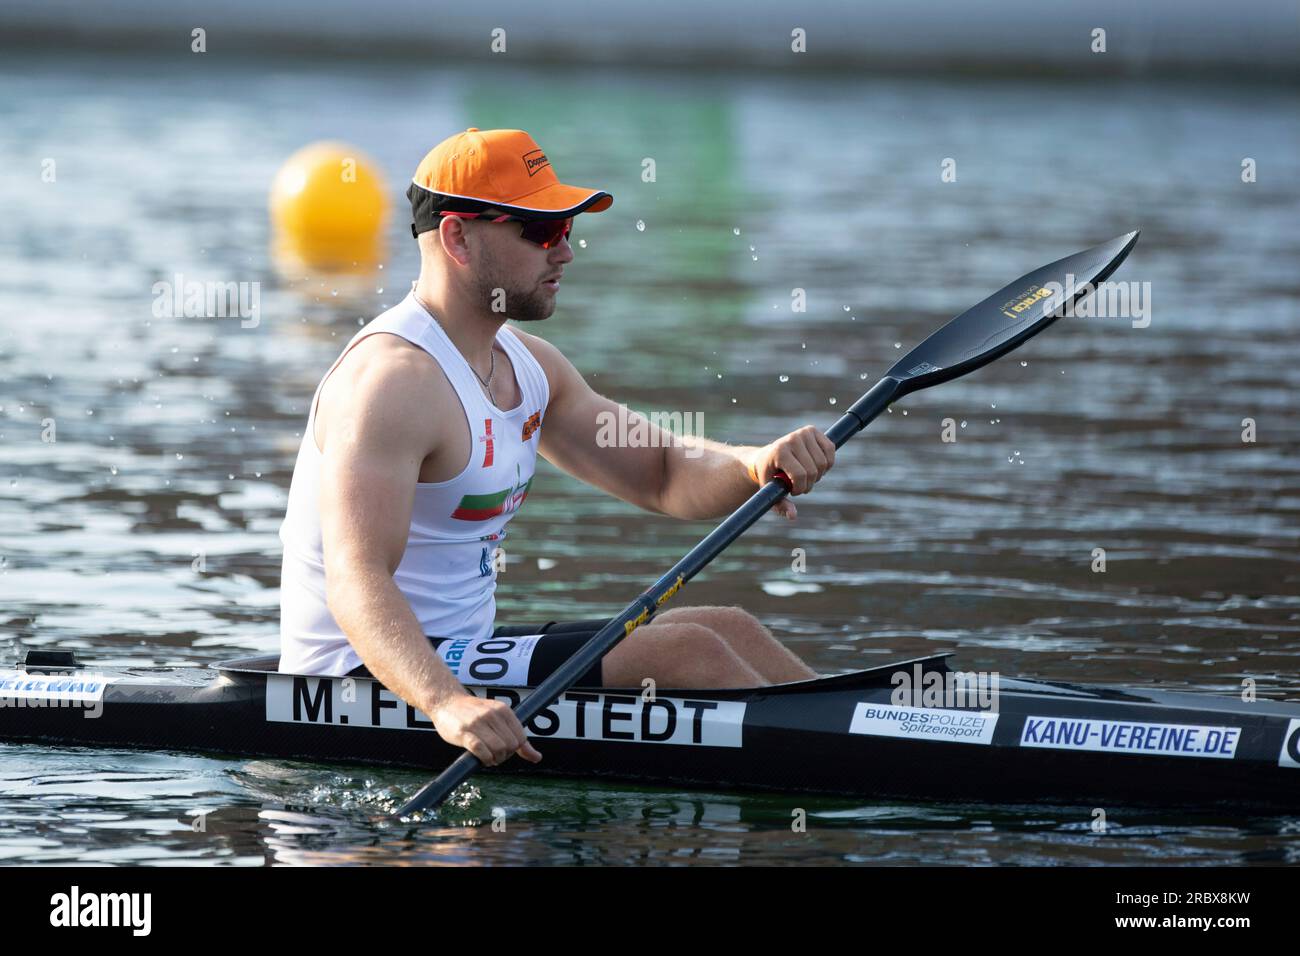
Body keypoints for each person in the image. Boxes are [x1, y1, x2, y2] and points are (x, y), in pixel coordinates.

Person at [278, 128, 834, 770]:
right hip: (354, 676)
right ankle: (851, 767)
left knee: (728, 627)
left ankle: (870, 742)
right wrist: (446, 703)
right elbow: (356, 579)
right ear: (458, 237)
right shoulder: (392, 383)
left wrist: (752, 464)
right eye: (541, 231)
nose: (565, 252)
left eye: (567, 228)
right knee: (689, 656)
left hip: (459, 651)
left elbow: (661, 472)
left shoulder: (529, 365)